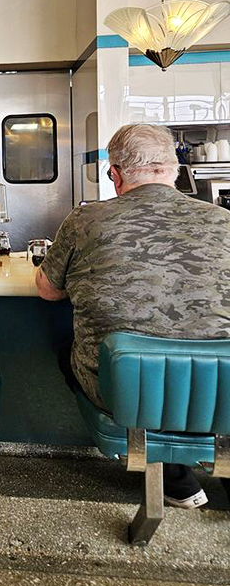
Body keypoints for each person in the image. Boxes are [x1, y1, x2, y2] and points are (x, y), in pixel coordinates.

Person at [36, 123, 230, 509]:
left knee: (69, 348)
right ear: (173, 170)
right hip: (221, 387)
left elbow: (48, 290)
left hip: (125, 387)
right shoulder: (224, 221)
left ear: (115, 173)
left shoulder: (86, 219)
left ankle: (173, 479)